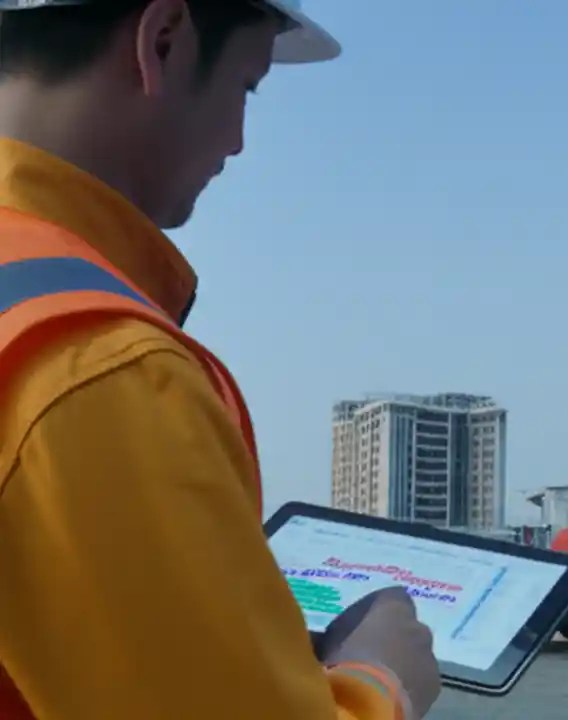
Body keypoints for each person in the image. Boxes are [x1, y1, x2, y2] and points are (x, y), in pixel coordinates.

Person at [0, 1, 442, 718]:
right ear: (164, 41)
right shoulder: (96, 369)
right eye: (247, 86)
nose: (238, 142)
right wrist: (380, 677)